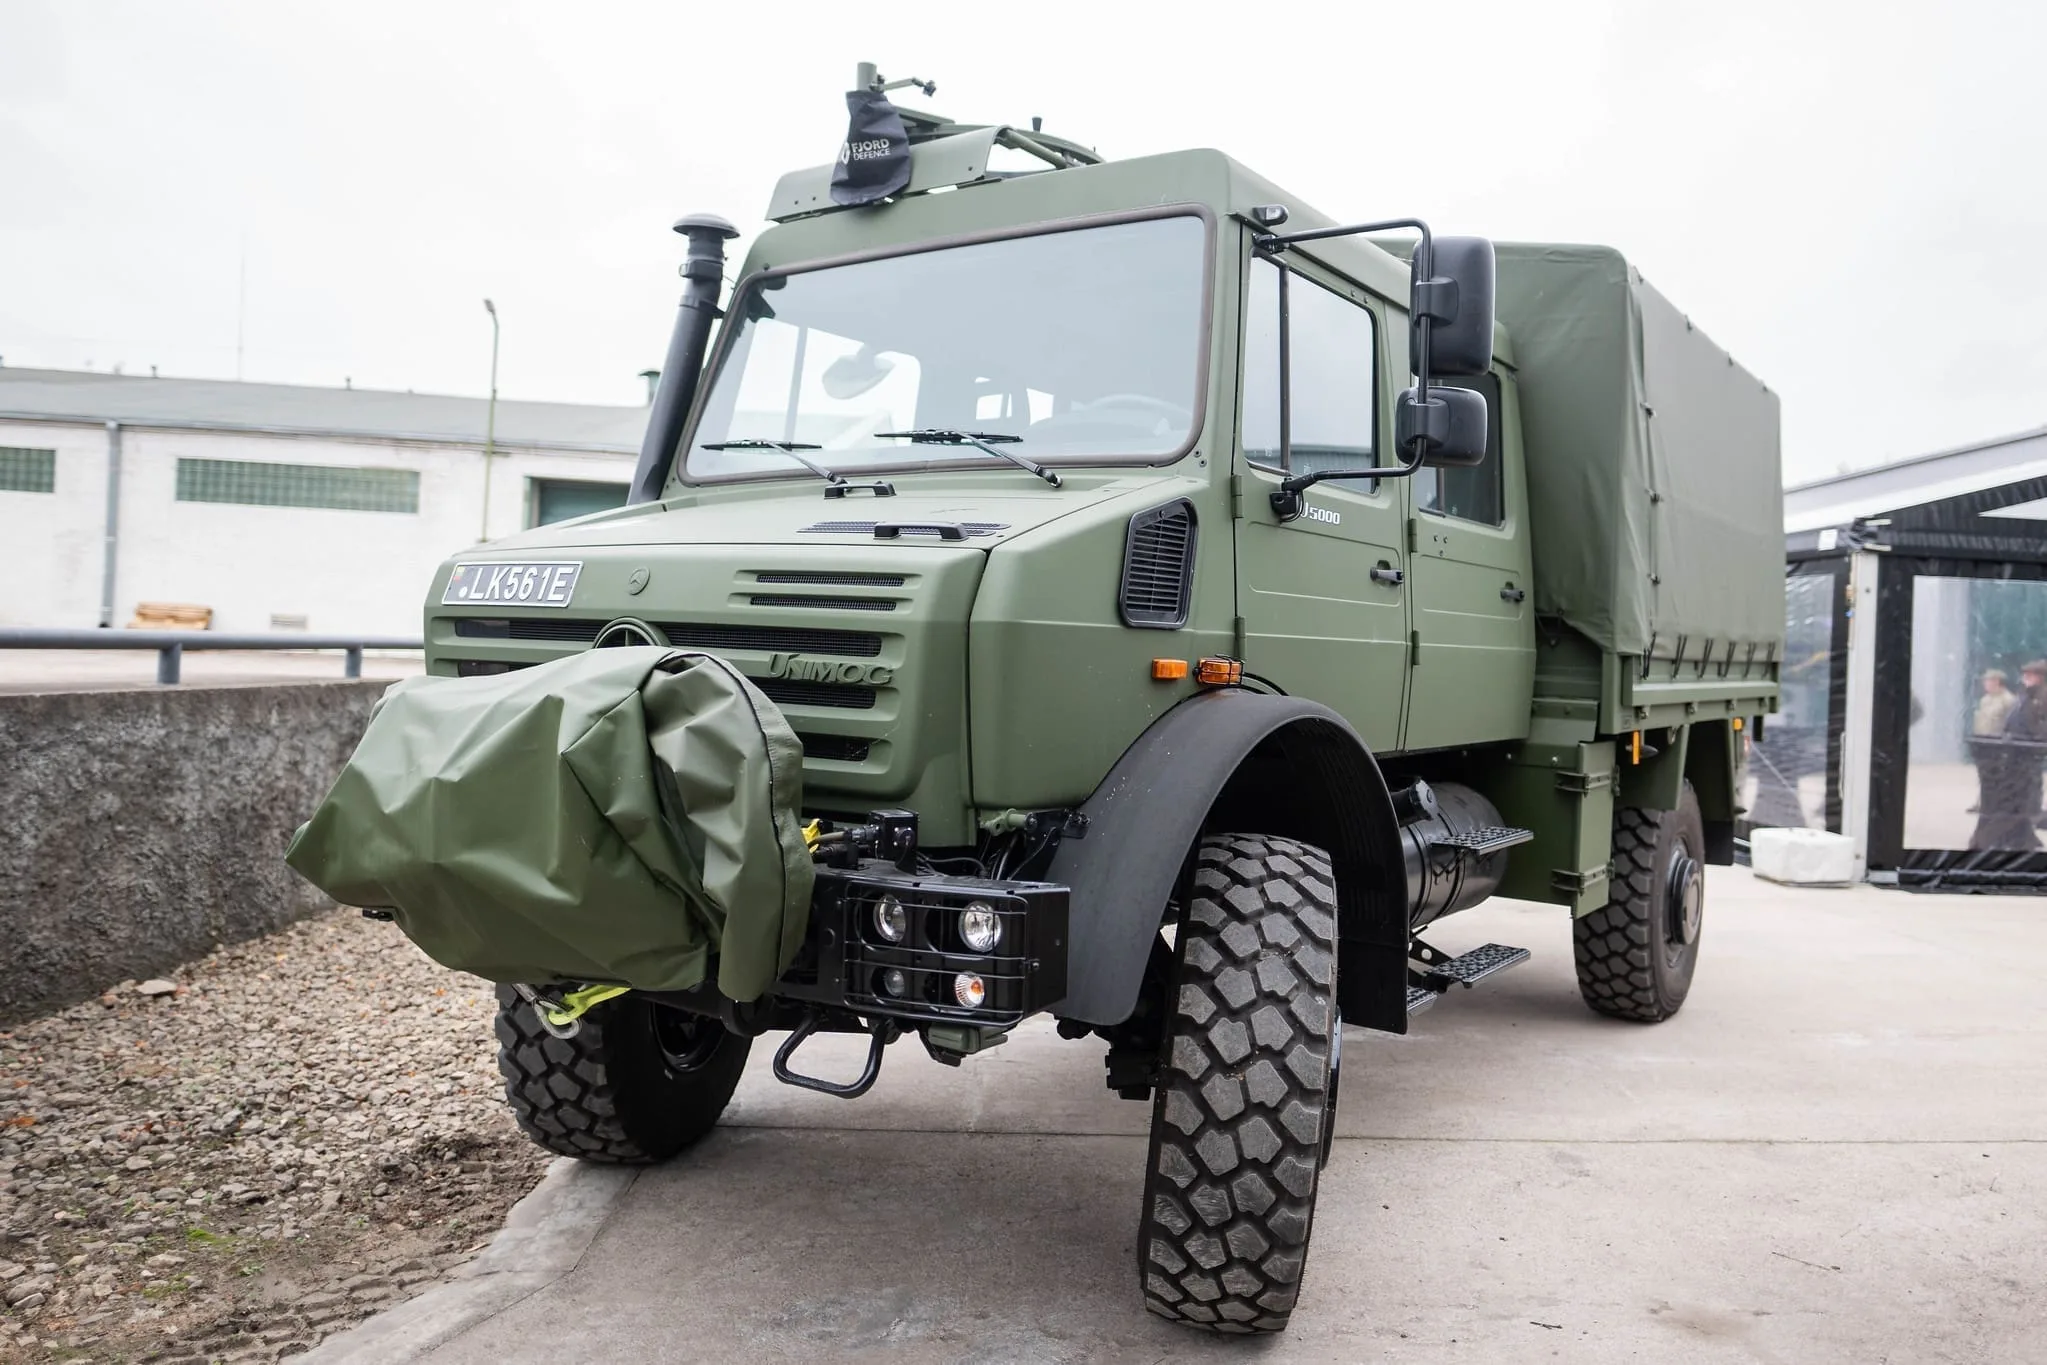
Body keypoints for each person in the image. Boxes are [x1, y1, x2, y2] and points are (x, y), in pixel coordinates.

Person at [1970, 660, 2047, 851]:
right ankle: (2020, 837)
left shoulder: (2040, 696)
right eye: (2025, 675)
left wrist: (2035, 742)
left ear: (2040, 677)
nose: (2025, 678)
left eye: (2030, 675)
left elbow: (2039, 725)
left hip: (2026, 754)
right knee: (2011, 799)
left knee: (2022, 799)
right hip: (2008, 752)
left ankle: (2011, 836)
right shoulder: (2025, 694)